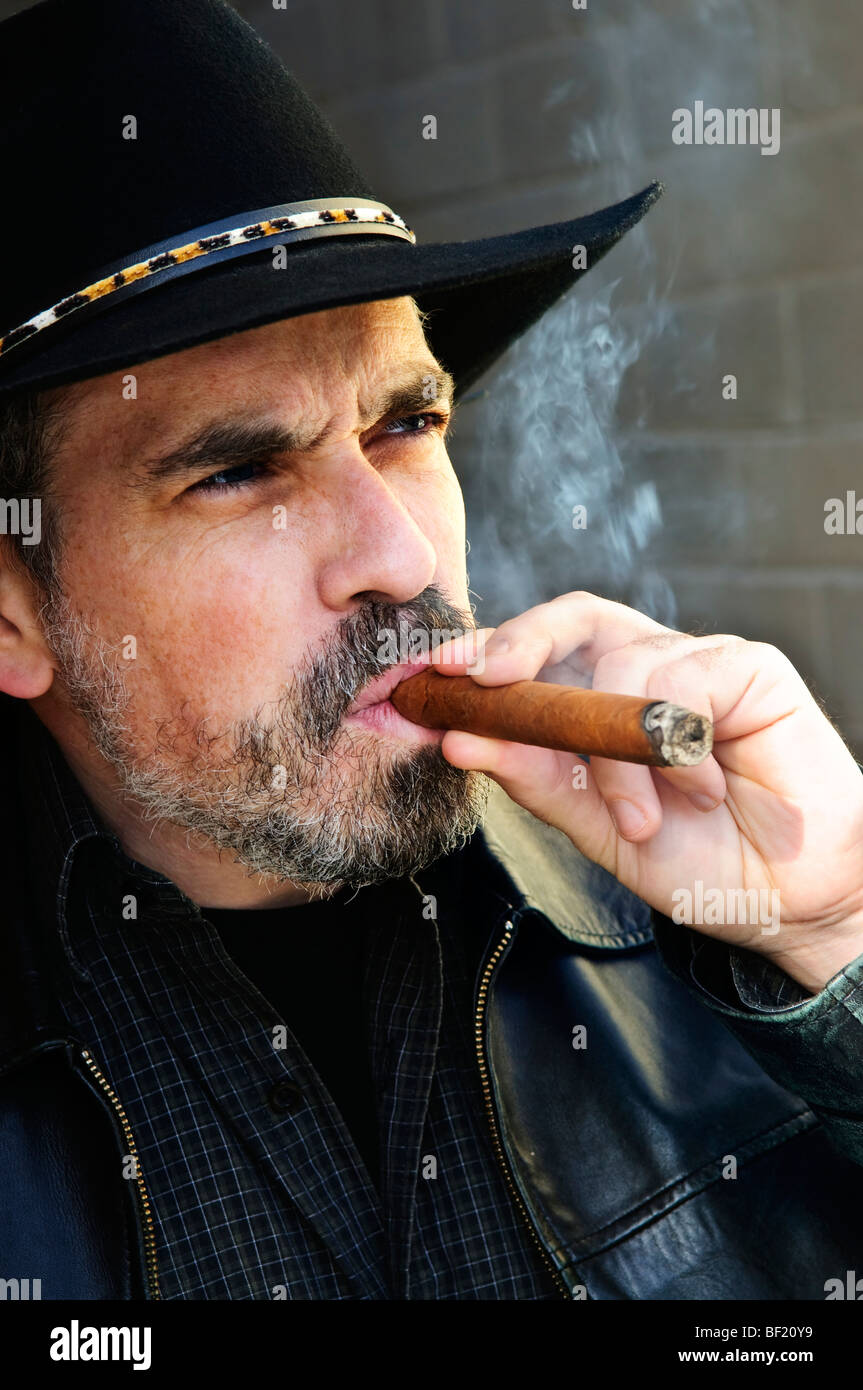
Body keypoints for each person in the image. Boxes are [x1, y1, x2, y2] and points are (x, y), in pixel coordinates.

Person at [1, 0, 861, 1302]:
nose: (400, 555)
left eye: (408, 421)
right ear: (14, 610)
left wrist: (835, 946)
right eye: (239, 469)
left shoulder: (682, 888)